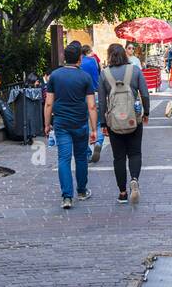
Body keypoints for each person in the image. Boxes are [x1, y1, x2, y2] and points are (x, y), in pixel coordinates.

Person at [44, 42, 98, 210]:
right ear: (79, 59)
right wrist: (94, 128)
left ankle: (67, 197)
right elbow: (91, 106)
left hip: (61, 123)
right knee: (81, 157)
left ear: (65, 58)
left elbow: (48, 103)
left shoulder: (55, 76)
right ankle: (81, 191)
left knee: (63, 158)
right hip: (80, 123)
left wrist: (47, 125)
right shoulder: (85, 77)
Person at [99, 43, 151, 204]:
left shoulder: (104, 74)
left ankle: (122, 192)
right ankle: (134, 179)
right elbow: (145, 94)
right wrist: (146, 112)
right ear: (124, 54)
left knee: (119, 157)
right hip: (133, 118)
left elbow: (101, 101)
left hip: (114, 121)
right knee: (135, 153)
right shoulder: (134, 70)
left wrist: (103, 123)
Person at [79, 43, 104, 162]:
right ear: (89, 51)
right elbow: (101, 73)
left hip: (82, 95)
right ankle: (98, 141)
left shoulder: (79, 63)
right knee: (98, 122)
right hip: (95, 93)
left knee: (83, 123)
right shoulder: (94, 61)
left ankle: (88, 153)